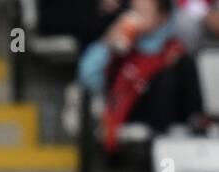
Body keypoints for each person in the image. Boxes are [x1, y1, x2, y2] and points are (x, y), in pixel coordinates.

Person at [77, 0, 205, 151]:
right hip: (134, 105)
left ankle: (197, 128)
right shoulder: (122, 46)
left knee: (182, 65)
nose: (136, 16)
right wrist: (108, 41)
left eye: (143, 11)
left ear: (162, 16)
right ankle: (159, 143)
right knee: (164, 78)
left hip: (174, 110)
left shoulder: (174, 42)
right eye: (134, 10)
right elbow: (87, 77)